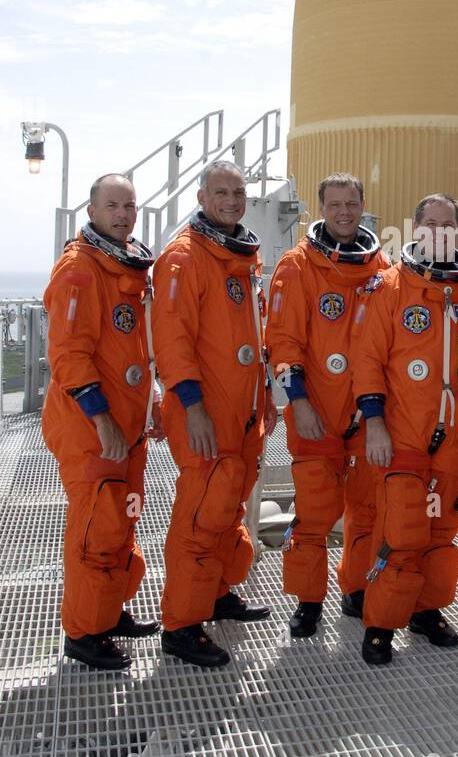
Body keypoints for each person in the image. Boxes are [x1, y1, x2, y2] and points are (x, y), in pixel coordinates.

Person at [152, 160, 276, 668]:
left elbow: (255, 339)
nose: (231, 200)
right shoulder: (184, 258)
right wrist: (192, 408)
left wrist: (265, 403)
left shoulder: (242, 256)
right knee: (201, 516)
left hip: (243, 413)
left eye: (238, 193)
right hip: (205, 412)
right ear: (201, 197)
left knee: (229, 506)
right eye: (221, 192)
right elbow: (172, 341)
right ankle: (181, 623)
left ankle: (218, 592)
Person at [352, 195, 458, 666]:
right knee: (401, 531)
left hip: (454, 439)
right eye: (430, 224)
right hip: (403, 434)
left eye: (448, 225)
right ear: (416, 230)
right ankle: (381, 623)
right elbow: (367, 362)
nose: (439, 232)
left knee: (442, 530)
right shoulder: (388, 288)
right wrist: (375, 426)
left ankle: (427, 611)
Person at [43, 174, 163, 670]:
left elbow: (136, 348)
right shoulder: (79, 271)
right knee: (95, 529)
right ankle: (83, 632)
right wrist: (103, 421)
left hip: (127, 424)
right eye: (111, 205)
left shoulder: (126, 270)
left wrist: (148, 401)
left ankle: (108, 610)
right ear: (91, 211)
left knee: (121, 522)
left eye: (129, 206)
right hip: (92, 428)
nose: (122, 213)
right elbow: (69, 355)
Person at [266, 173, 388, 638]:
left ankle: (355, 588)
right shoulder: (297, 267)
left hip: (367, 415)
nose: (343, 212)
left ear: (362, 205)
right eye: (334, 203)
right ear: (320, 207)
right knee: (315, 512)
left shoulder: (381, 268)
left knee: (366, 509)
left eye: (351, 203)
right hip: (315, 411)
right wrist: (298, 402)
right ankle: (308, 599)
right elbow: (282, 342)